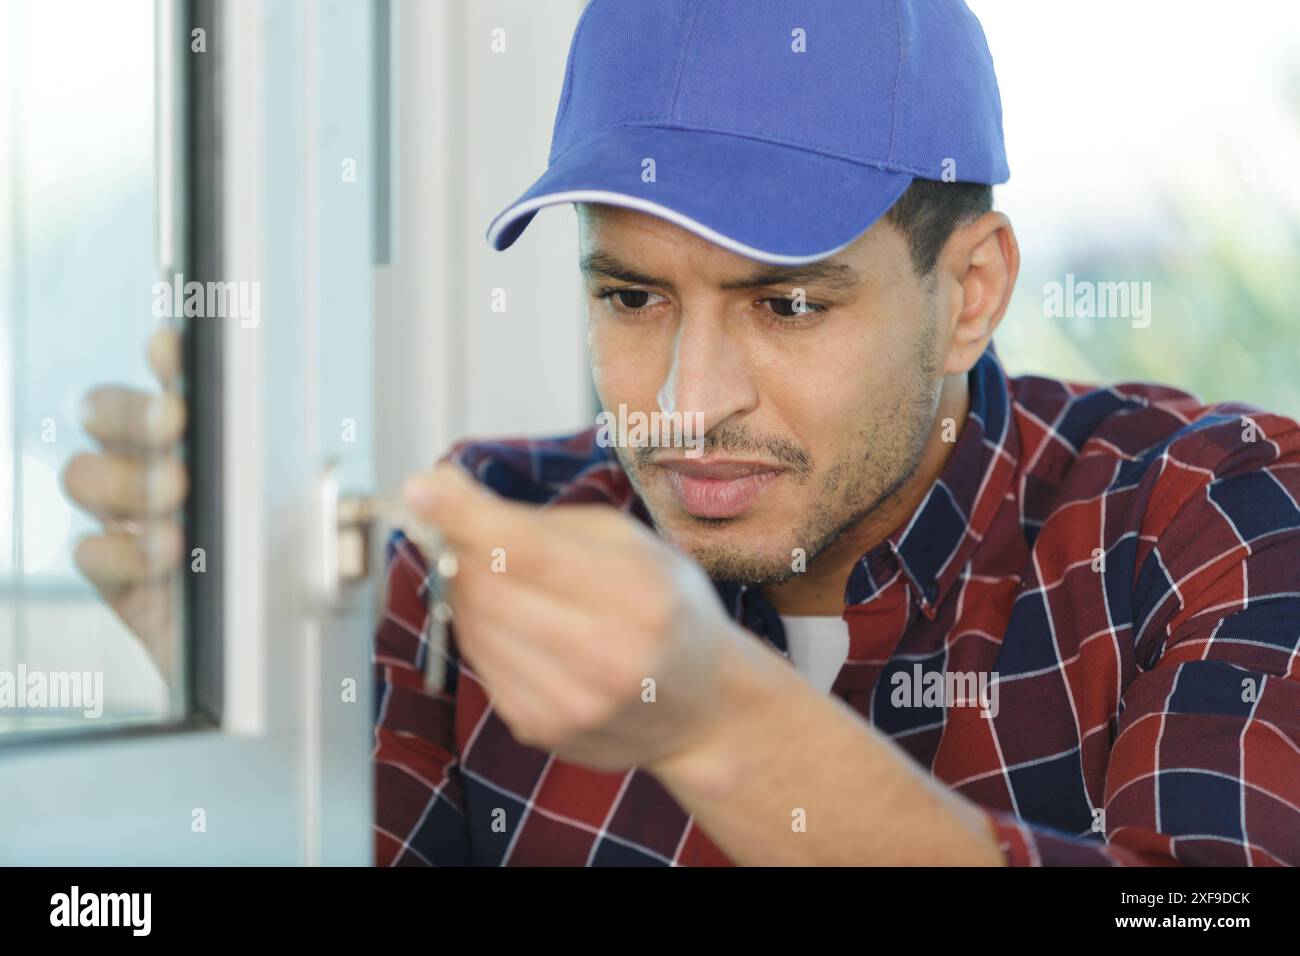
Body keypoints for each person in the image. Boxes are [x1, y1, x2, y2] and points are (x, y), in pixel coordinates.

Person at [69, 0, 1300, 867]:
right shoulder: (492, 536)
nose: (684, 399)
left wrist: (721, 725)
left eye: (786, 302)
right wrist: (227, 699)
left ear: (968, 291)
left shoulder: (1210, 518)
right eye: (630, 295)